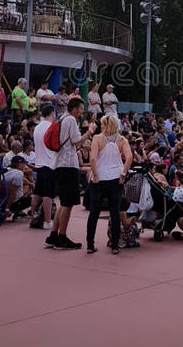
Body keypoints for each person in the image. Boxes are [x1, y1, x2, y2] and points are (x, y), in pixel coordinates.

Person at [87, 114, 133, 254]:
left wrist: (94, 175)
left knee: (94, 212)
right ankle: (115, 245)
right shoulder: (122, 140)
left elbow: (93, 159)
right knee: (115, 212)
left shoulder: (97, 139)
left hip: (99, 178)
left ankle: (90, 244)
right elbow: (129, 157)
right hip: (115, 177)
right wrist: (123, 173)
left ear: (105, 125)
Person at [46, 96, 85, 249]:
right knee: (68, 203)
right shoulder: (71, 120)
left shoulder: (62, 118)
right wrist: (90, 132)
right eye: (81, 108)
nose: (82, 111)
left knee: (63, 201)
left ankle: (54, 235)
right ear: (75, 109)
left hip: (59, 163)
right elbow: (77, 142)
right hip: (68, 164)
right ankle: (62, 237)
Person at [30, 104, 57, 230]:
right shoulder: (51, 126)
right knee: (48, 194)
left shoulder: (37, 127)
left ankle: (32, 218)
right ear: (52, 114)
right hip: (49, 163)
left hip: (39, 162)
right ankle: (47, 221)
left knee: (37, 191)